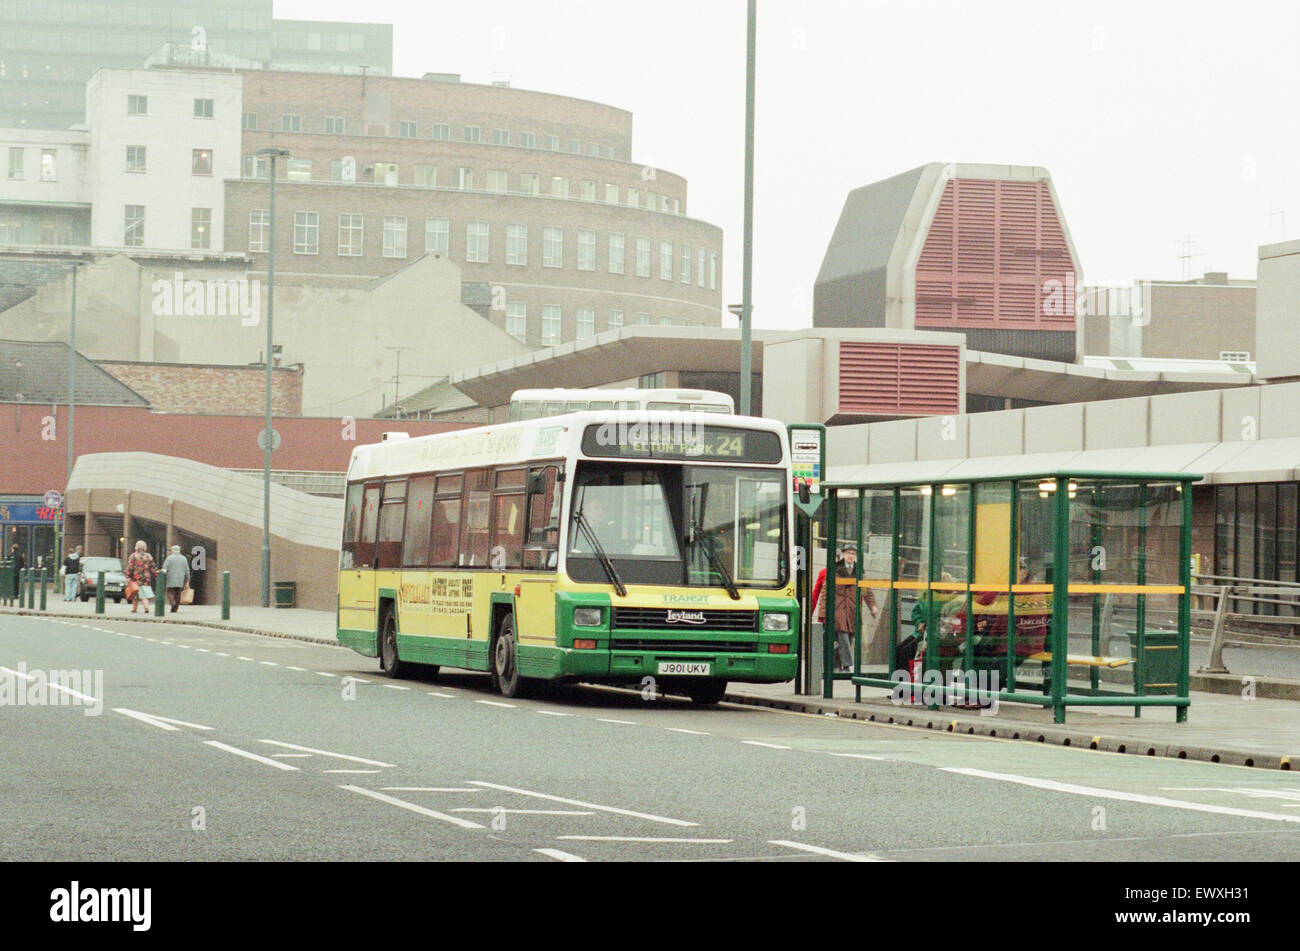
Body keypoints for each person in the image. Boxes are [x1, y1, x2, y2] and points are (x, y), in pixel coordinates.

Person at [813, 544, 878, 672]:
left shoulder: (859, 571)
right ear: (843, 554)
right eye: (848, 553)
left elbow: (867, 591)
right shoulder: (834, 570)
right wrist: (823, 613)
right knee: (842, 636)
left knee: (847, 638)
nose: (851, 556)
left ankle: (837, 665)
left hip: (852, 610)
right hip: (838, 610)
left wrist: (873, 606)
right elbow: (825, 592)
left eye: (853, 554)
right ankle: (847, 666)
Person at [125, 540, 157, 614]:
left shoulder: (133, 556)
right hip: (146, 577)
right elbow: (153, 566)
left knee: (135, 593)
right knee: (144, 594)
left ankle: (135, 609)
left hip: (135, 577)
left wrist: (128, 576)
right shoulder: (148, 556)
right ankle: (146, 607)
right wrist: (156, 574)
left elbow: (130, 567)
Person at [161, 545, 190, 613]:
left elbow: (164, 568)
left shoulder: (169, 558)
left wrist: (162, 574)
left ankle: (173, 603)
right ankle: (175, 607)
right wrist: (187, 580)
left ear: (173, 551)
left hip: (171, 578)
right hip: (180, 579)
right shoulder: (184, 559)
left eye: (171, 550)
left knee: (170, 592)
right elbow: (187, 570)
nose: (170, 552)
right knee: (178, 593)